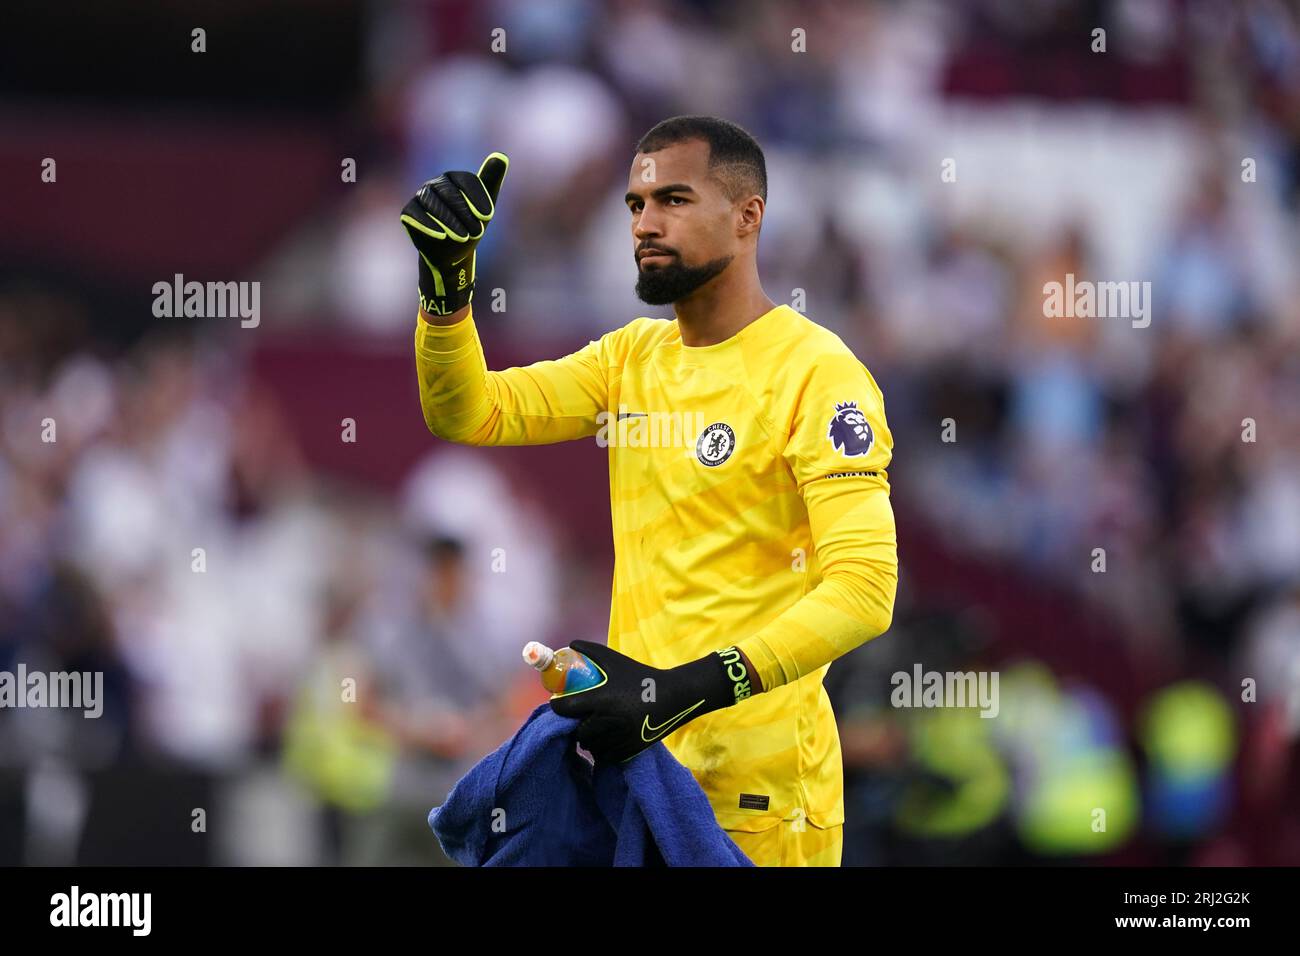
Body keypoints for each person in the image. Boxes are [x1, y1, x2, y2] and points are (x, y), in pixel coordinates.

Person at [402, 115, 898, 866]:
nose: (645, 222)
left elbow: (864, 589)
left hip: (759, 802)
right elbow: (470, 410)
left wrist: (683, 690)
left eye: (672, 199)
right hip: (640, 778)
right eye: (636, 205)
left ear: (746, 216)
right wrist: (446, 295)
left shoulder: (818, 374)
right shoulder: (630, 358)